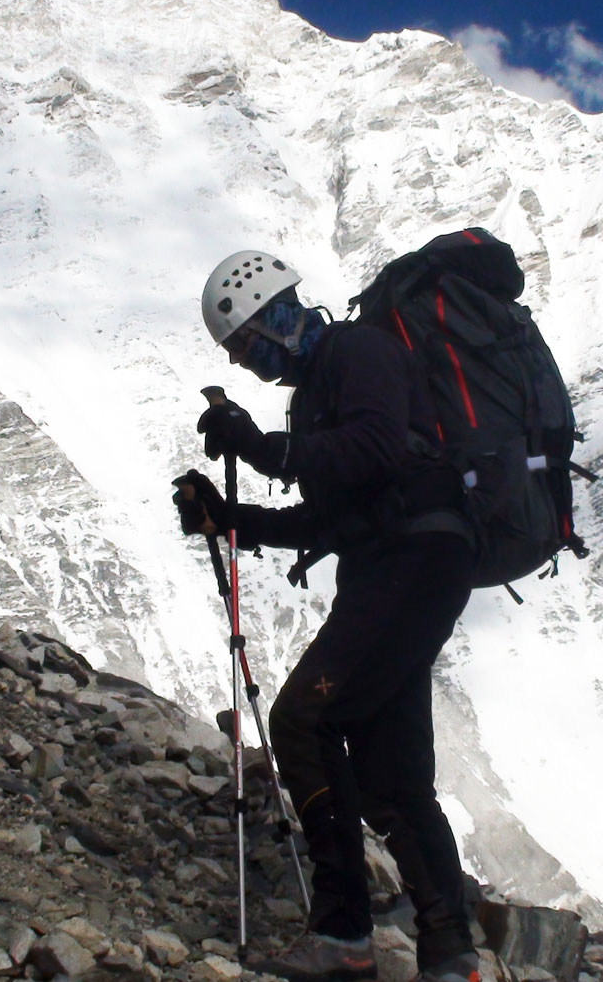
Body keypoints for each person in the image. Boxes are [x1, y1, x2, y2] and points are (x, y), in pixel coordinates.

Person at [172, 250, 481, 982]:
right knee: (392, 777)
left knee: (304, 720)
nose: (248, 363)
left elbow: (369, 449)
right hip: (403, 561)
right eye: (236, 353)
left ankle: (344, 935)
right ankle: (450, 957)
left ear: (276, 311)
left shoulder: (358, 351)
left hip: (413, 560)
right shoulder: (318, 389)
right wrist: (231, 518)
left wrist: (260, 447)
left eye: (248, 344)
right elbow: (336, 514)